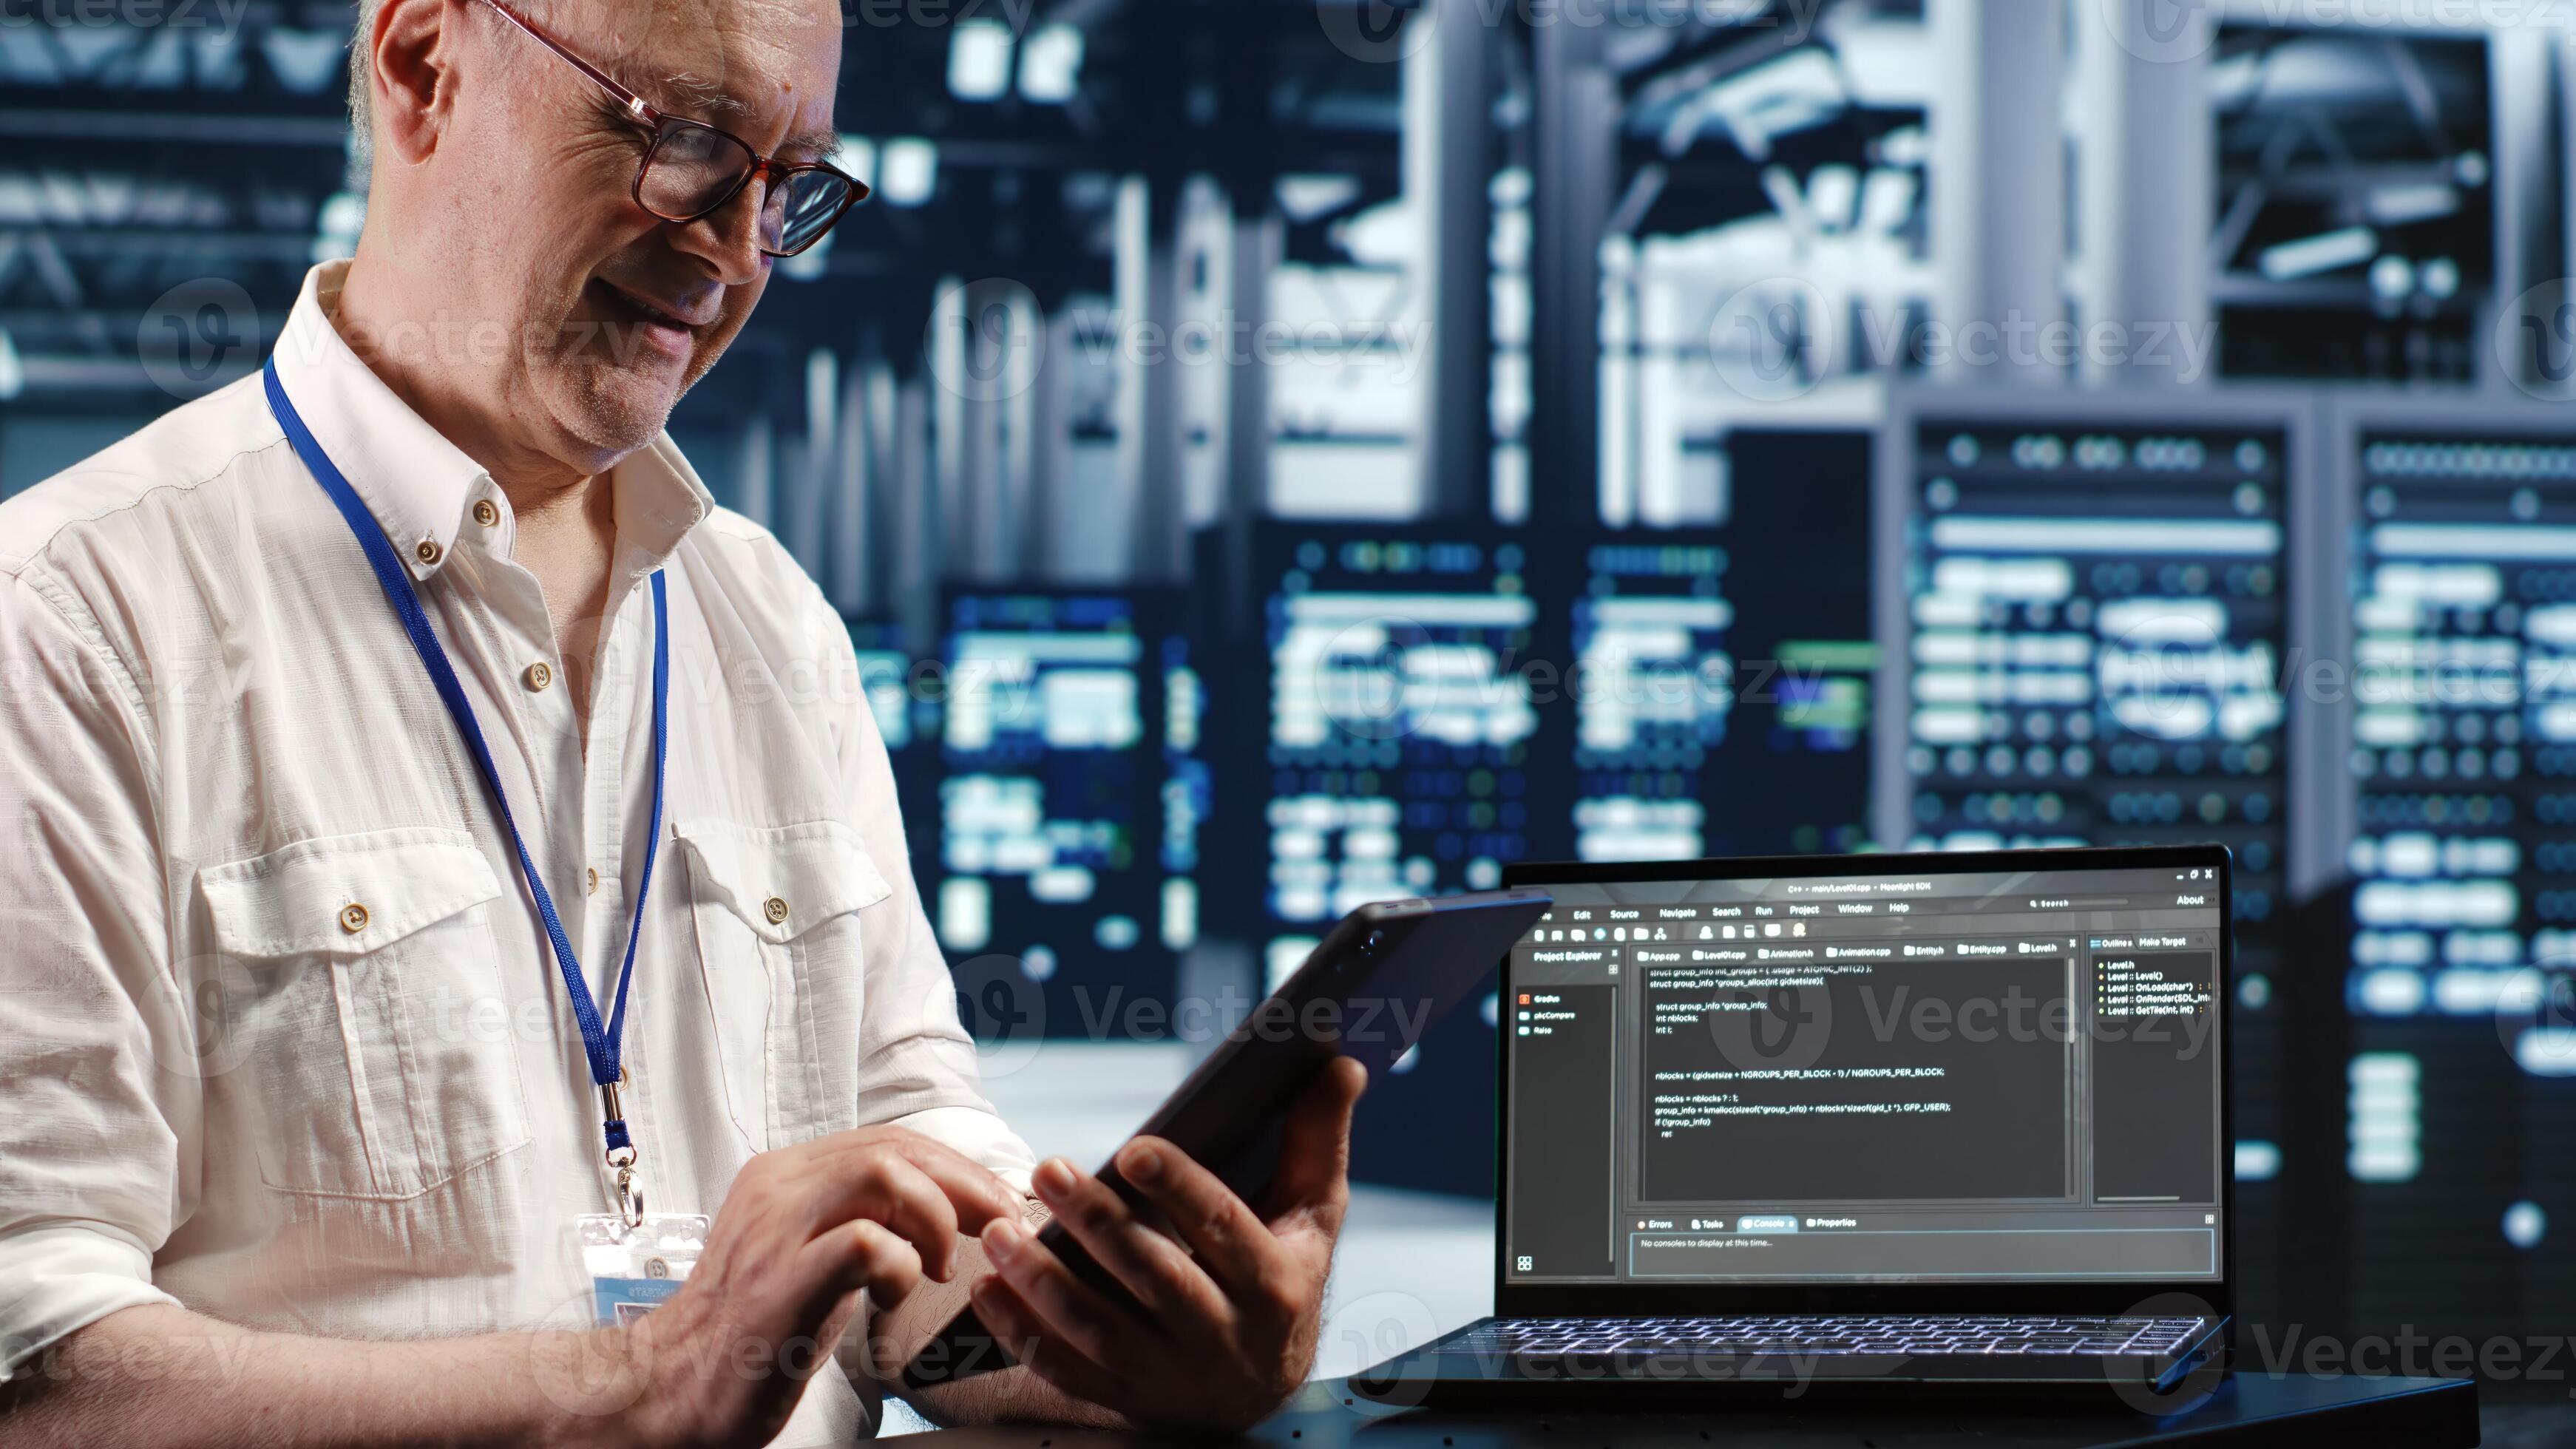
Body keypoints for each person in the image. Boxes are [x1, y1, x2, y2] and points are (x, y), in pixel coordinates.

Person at [0, 0, 1365, 1441]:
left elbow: (909, 1201)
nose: (732, 252)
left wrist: (1082, 1334)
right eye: (691, 142)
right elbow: (38, 1359)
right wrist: (630, 1388)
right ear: (421, 65)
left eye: (788, 185)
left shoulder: (770, 624)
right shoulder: (75, 622)